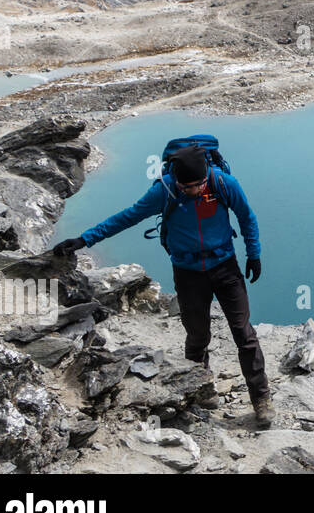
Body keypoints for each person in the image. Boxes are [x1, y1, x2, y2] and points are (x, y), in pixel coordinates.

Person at [53, 143, 273, 427]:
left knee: (244, 334)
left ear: (206, 177)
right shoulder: (165, 190)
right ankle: (199, 389)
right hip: (188, 272)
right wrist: (84, 240)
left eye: (196, 186)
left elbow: (247, 216)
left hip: (224, 266)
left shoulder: (222, 183)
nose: (191, 191)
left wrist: (253, 254)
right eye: (185, 186)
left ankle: (261, 399)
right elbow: (127, 217)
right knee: (197, 337)